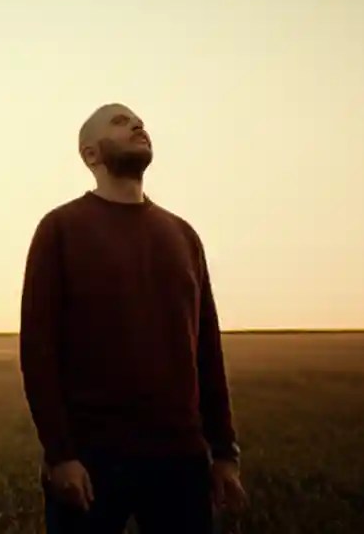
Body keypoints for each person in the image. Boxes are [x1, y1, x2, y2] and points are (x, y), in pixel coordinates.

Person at [19, 104, 249, 533]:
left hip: (180, 456)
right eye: (120, 122)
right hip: (92, 457)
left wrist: (223, 452)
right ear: (91, 154)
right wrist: (61, 453)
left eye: (138, 121)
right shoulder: (60, 228)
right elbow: (38, 349)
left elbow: (207, 349)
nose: (138, 125)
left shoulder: (183, 235)